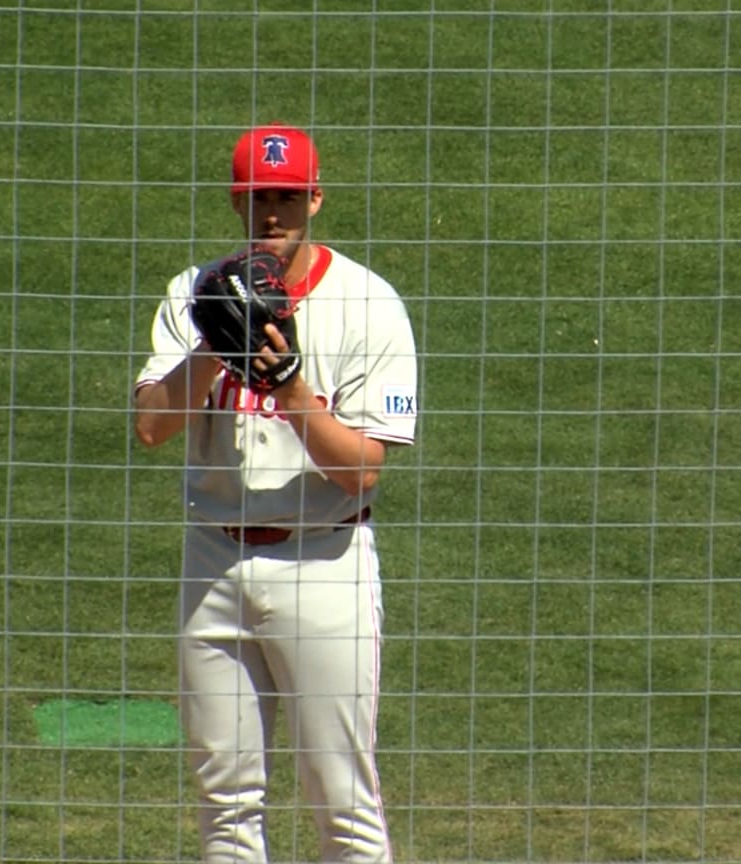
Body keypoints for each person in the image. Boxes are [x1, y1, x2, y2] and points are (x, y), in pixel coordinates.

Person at [132, 122, 419, 864]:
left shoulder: (368, 302)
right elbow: (152, 426)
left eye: (287, 198)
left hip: (325, 566)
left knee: (341, 801)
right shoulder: (193, 294)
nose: (272, 216)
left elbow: (361, 470)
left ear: (316, 199)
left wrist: (288, 385)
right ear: (236, 201)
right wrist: (215, 342)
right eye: (258, 198)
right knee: (225, 803)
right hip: (214, 562)